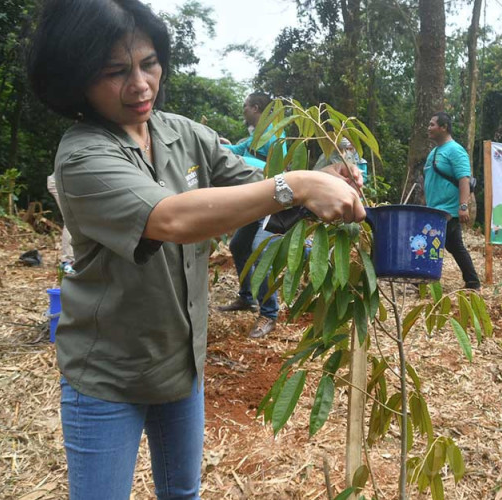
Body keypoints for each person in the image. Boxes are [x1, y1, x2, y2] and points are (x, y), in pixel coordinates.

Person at [26, 1, 365, 498]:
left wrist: (321, 180)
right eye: (115, 71)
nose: (140, 84)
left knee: (183, 494)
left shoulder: (181, 133)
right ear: (77, 79)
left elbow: (257, 186)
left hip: (180, 364)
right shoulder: (83, 157)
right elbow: (172, 218)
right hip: (107, 376)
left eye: (149, 63)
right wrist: (298, 184)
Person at [217, 92, 284, 339]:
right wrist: (219, 145)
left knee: (260, 248)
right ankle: (247, 298)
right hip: (254, 199)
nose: (243, 109)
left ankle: (269, 314)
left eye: (245, 106)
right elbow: (236, 150)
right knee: (239, 245)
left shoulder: (276, 134)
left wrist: (235, 157)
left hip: (271, 200)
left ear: (255, 108)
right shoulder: (254, 135)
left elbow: (273, 168)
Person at [424, 111, 480, 289]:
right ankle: (472, 281)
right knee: (454, 245)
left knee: (431, 243)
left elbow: (464, 179)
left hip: (448, 210)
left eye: (432, 124)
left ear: (444, 127)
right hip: (435, 208)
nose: (429, 127)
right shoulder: (434, 152)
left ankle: (425, 281)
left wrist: (463, 207)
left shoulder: (456, 150)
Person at [46, 173, 75, 274]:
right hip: (60, 183)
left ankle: (72, 258)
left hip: (67, 183)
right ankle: (68, 260)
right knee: (71, 219)